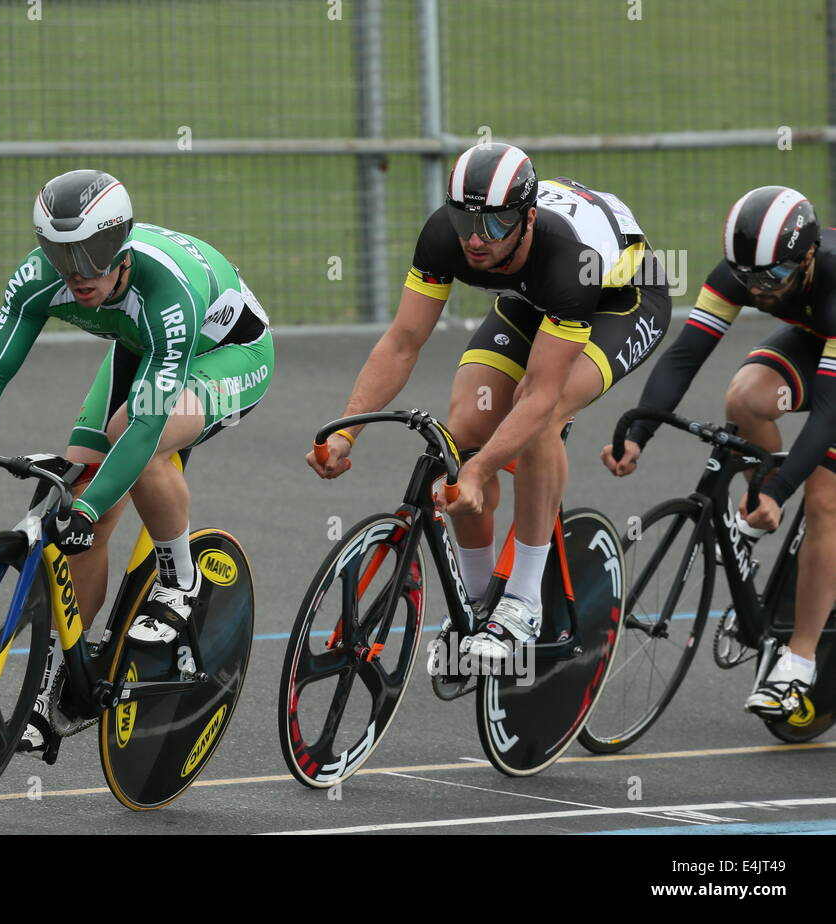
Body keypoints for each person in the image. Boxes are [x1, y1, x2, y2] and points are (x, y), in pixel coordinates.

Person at [0, 169, 274, 753]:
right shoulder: (37, 281)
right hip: (141, 348)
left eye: (94, 253)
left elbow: (150, 421)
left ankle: (180, 581)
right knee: (80, 504)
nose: (78, 272)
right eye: (61, 253)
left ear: (121, 245)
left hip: (229, 354)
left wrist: (97, 498)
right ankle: (61, 687)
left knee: (136, 438)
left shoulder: (167, 292)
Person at [309, 142, 671, 667]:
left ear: (526, 218)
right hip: (530, 294)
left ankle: (522, 601)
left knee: (542, 417)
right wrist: (345, 433)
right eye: (465, 220)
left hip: (619, 299)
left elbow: (542, 394)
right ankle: (477, 603)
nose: (476, 240)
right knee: (465, 428)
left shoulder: (567, 255)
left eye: (496, 225)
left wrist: (480, 471)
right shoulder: (445, 236)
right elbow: (402, 342)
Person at [604, 186, 836, 718]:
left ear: (805, 258)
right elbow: (686, 354)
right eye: (747, 278)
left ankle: (798, 663)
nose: (758, 290)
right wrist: (638, 433)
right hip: (815, 335)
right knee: (746, 397)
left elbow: (828, 410)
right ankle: (753, 524)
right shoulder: (750, 269)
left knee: (824, 498)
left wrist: (781, 488)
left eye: (770, 279)